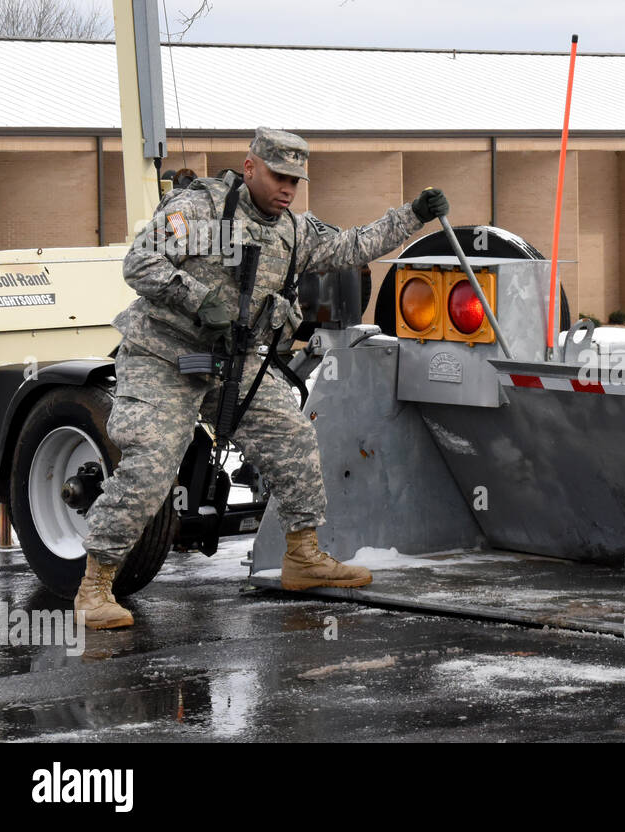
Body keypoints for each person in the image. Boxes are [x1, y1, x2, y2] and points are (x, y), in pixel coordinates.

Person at [75, 127, 450, 629]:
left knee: (293, 439)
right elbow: (139, 262)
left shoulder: (294, 230)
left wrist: (412, 215)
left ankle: (302, 555)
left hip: (232, 362)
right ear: (250, 167)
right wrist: (195, 296)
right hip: (165, 355)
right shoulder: (202, 210)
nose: (288, 189)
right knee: (152, 464)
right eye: (279, 175)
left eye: (296, 179)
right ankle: (95, 586)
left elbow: (351, 248)